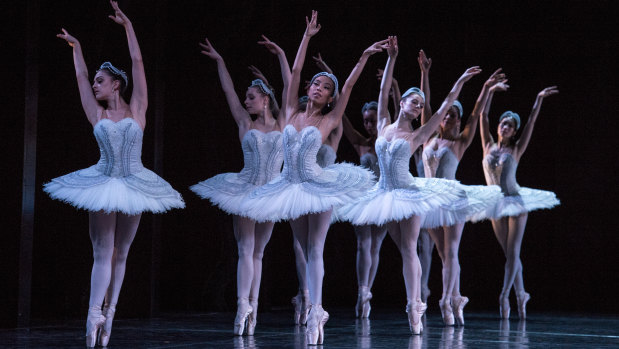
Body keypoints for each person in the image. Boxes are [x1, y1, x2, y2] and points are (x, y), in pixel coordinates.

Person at [44, 2, 184, 347]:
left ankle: (111, 314)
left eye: (100, 81)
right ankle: (93, 314)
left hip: (136, 182)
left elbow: (137, 63)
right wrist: (77, 49)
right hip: (104, 182)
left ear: (116, 85)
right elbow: (79, 76)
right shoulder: (97, 115)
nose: (94, 85)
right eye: (95, 80)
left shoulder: (138, 109)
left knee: (122, 252)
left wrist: (128, 26)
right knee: (103, 250)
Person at [240, 11, 384, 345]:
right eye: (316, 84)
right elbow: (295, 71)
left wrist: (363, 57)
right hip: (289, 186)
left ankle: (316, 312)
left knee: (315, 248)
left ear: (331, 97)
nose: (318, 88)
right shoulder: (290, 110)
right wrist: (306, 37)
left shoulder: (330, 119)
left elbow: (347, 85)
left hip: (318, 185)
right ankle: (307, 301)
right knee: (302, 247)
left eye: (325, 87)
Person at [339, 36, 482, 335]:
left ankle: (414, 305)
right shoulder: (382, 124)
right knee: (402, 248)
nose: (418, 108)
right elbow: (382, 90)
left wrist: (460, 82)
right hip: (384, 195)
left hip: (409, 193)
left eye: (420, 105)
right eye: (413, 102)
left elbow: (442, 108)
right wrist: (392, 58)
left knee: (409, 248)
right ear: (401, 102)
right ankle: (411, 301)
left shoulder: (417, 135)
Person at [190, 34, 290, 336]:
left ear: (265, 99)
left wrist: (282, 54)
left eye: (251, 97)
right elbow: (227, 90)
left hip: (271, 192)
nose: (245, 101)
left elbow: (290, 84)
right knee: (246, 249)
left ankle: (253, 309)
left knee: (259, 253)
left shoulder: (284, 123)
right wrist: (220, 61)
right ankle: (241, 306)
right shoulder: (244, 124)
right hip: (245, 189)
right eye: (246, 97)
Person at [418, 49, 507, 325]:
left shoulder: (460, 142)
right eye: (446, 115)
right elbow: (427, 104)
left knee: (452, 251)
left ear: (458, 121)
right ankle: (456, 297)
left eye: (454, 116)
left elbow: (476, 112)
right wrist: (424, 73)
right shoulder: (428, 135)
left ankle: (446, 301)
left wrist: (483, 88)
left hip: (453, 198)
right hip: (430, 198)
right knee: (444, 254)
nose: (448, 118)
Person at [479, 81, 560, 319]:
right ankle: (522, 293)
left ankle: (505, 296)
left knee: (513, 252)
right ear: (498, 127)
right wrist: (490, 91)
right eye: (503, 123)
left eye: (511, 125)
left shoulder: (516, 149)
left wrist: (539, 99)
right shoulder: (487, 145)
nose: (506, 126)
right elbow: (482, 114)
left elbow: (532, 122)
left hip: (515, 201)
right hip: (495, 202)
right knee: (509, 254)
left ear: (514, 132)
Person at [341, 101, 388, 318]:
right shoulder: (361, 144)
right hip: (362, 199)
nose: (369, 125)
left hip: (382, 200)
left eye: (373, 120)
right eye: (366, 121)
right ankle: (362, 291)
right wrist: (337, 93)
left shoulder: (390, 142)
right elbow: (344, 120)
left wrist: (394, 88)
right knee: (363, 244)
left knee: (375, 246)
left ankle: (367, 292)